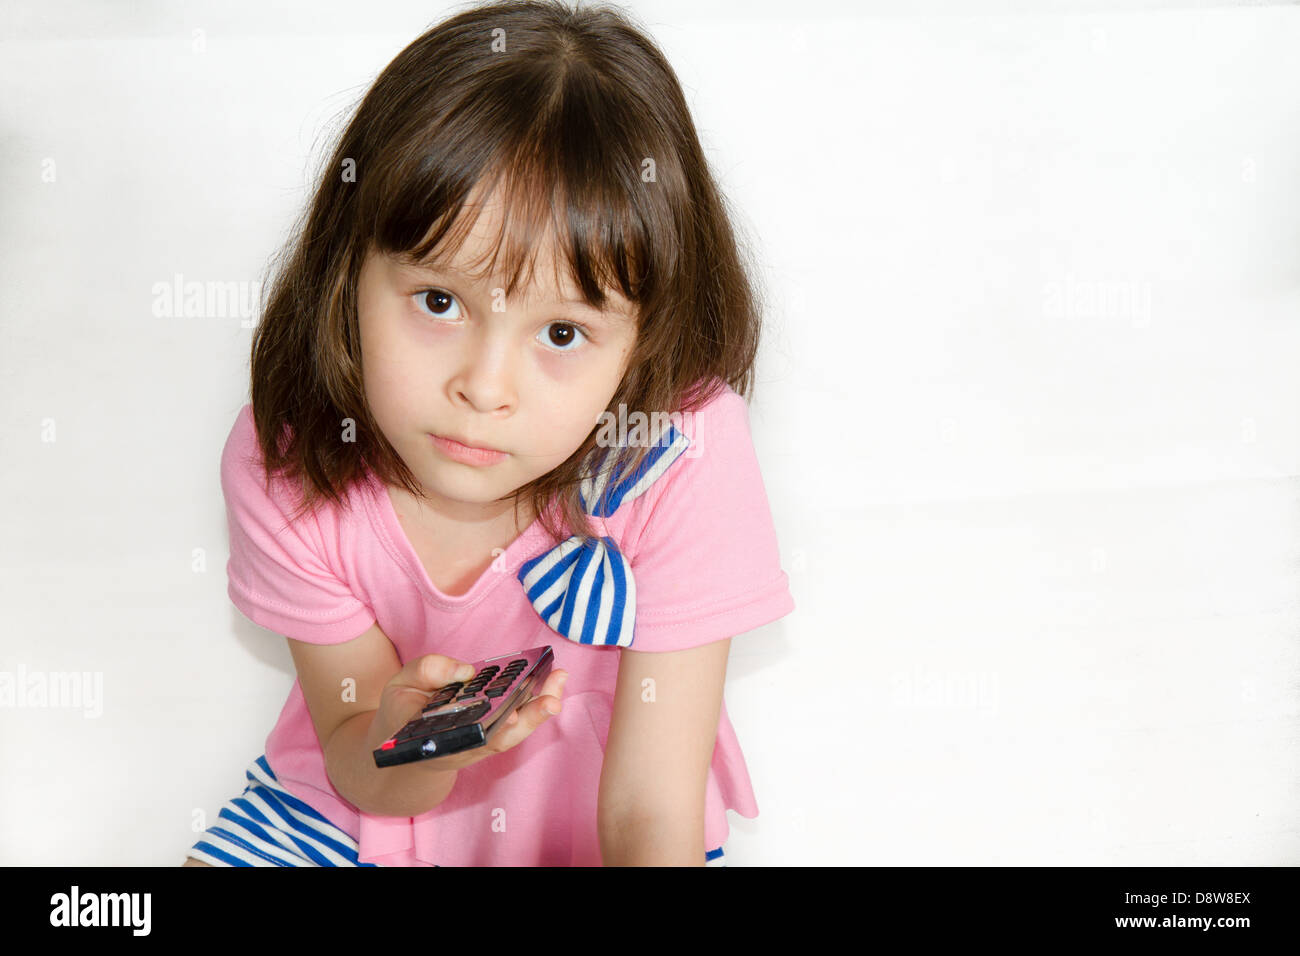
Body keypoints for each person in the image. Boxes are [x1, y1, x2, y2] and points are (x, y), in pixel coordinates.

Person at [183, 0, 794, 867]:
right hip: (361, 804)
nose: (483, 387)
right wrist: (406, 743)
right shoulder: (289, 467)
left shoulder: (681, 452)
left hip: (597, 817)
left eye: (561, 334)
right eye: (439, 302)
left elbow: (649, 808)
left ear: (646, 340)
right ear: (346, 270)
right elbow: (354, 753)